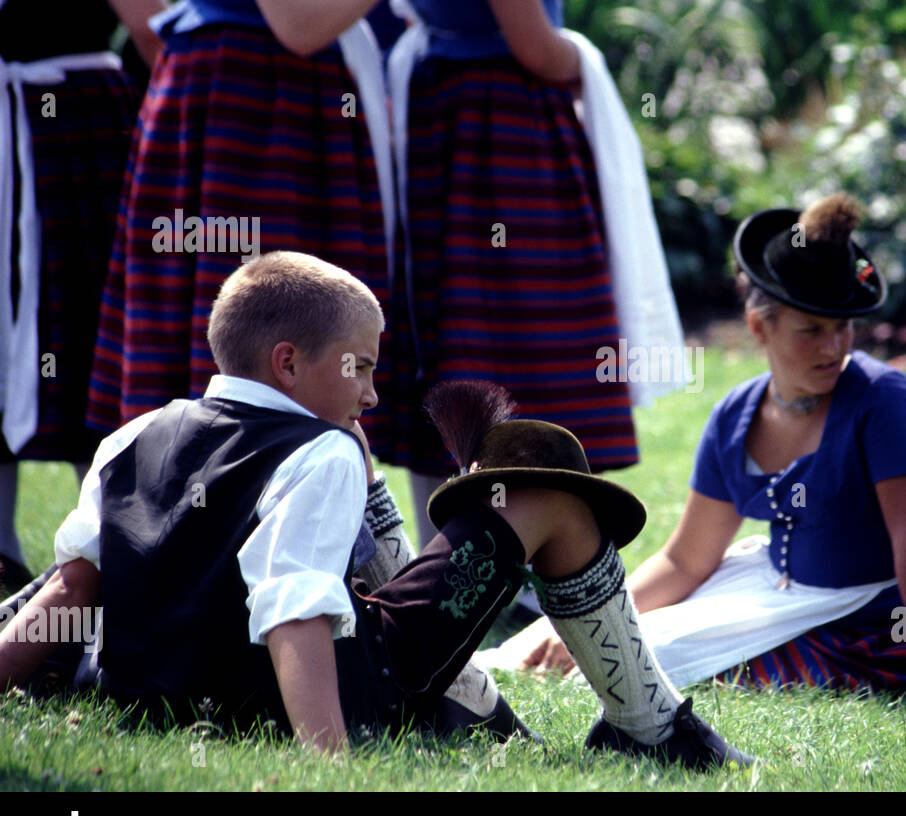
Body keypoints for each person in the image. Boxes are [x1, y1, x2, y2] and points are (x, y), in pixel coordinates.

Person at [0, 252, 750, 768]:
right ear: (287, 362)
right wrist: (331, 763)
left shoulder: (136, 432)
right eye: (359, 366)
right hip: (322, 694)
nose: (371, 393)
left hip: (152, 689)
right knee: (551, 495)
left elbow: (70, 588)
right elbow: (293, 611)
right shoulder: (316, 452)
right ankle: (651, 728)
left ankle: (506, 709)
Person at [502, 194, 906, 707]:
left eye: (842, 328)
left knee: (659, 658)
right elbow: (686, 560)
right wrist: (598, 621)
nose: (833, 347)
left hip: (870, 619)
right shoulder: (736, 415)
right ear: (759, 327)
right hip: (775, 594)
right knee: (597, 638)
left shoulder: (881, 400)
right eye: (811, 330)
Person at [84, 0, 418, 464]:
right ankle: (208, 514)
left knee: (281, 323)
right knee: (274, 325)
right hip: (259, 107)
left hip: (236, 93)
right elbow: (300, 20)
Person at [385, 0, 647, 545]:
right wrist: (583, 61)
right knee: (542, 337)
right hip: (505, 118)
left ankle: (456, 544)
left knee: (460, 330)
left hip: (444, 115)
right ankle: (548, 545)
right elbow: (534, 43)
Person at [0, 0, 167, 594]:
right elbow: (156, 34)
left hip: (72, 134)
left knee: (78, 330)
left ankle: (106, 549)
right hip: (59, 131)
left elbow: (150, 33)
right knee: (72, 327)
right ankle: (72, 555)